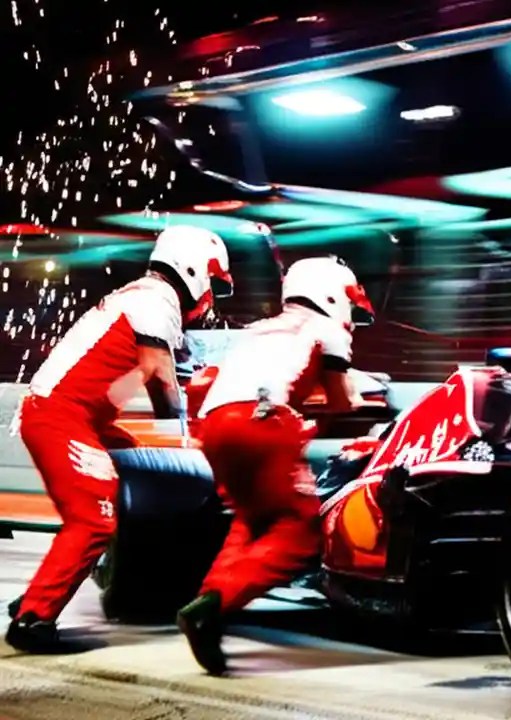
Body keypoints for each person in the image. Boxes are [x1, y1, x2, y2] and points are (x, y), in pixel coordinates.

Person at [6, 226, 233, 653]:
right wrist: (188, 433)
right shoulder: (157, 302)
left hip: (71, 414)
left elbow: (142, 375)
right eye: (212, 282)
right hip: (62, 416)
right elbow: (162, 380)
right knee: (94, 518)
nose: (209, 298)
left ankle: (41, 592)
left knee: (126, 469)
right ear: (194, 270)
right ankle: (33, 620)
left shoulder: (142, 297)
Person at [178, 256, 374, 675]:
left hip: (214, 424)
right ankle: (214, 605)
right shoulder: (328, 329)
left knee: (251, 520)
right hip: (263, 420)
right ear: (334, 295)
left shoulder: (260, 328)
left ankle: (209, 603)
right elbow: (343, 401)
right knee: (301, 527)